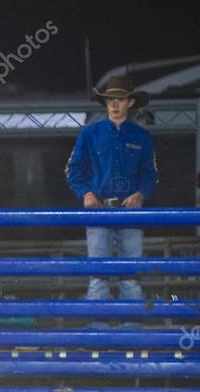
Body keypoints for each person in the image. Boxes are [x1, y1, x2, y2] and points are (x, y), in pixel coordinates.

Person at [66, 75, 158, 306]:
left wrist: (141, 194)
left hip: (130, 213)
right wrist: (86, 193)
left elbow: (151, 174)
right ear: (106, 103)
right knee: (99, 276)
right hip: (99, 210)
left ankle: (130, 332)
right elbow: (73, 169)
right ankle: (102, 332)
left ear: (130, 103)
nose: (115, 104)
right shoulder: (89, 134)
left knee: (129, 276)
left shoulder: (142, 137)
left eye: (120, 99)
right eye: (110, 99)